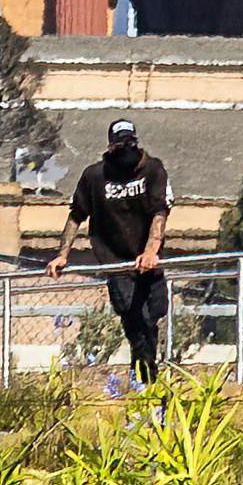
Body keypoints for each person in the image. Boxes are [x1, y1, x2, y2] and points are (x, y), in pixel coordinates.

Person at [66, 118, 175, 382]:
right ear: (110, 146)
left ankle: (145, 376)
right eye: (120, 144)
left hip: (148, 260)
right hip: (116, 261)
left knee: (154, 314)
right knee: (135, 319)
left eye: (129, 143)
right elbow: (76, 215)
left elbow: (159, 212)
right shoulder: (95, 176)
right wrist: (61, 255)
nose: (125, 149)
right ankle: (146, 380)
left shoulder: (153, 169)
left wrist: (151, 251)